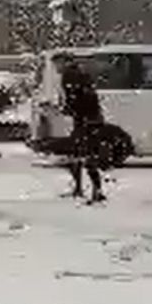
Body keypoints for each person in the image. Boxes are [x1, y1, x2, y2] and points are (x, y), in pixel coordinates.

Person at [60, 60, 106, 203]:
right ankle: (91, 189)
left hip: (85, 121)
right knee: (84, 155)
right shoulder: (82, 77)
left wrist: (68, 109)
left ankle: (87, 190)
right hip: (91, 120)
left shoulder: (70, 77)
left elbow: (75, 101)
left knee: (81, 155)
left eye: (57, 64)